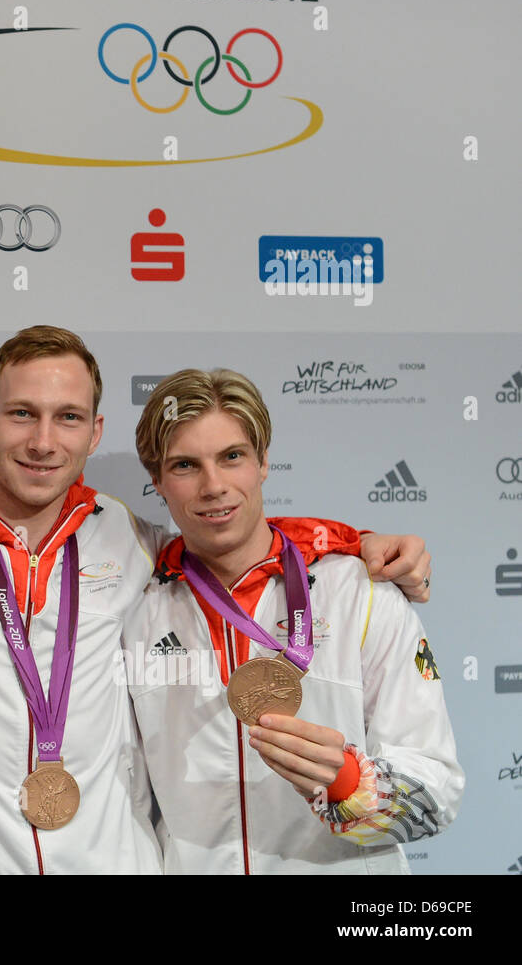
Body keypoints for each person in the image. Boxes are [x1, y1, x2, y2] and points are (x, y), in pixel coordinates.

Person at [0, 326, 433, 874]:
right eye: (21, 414)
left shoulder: (131, 541)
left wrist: (351, 543)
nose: (42, 440)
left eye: (67, 418)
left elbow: (231, 540)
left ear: (94, 431)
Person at [123, 368, 462, 872]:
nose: (214, 486)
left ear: (262, 462)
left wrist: (350, 783)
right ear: (158, 481)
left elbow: (438, 793)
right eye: (186, 465)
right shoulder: (136, 608)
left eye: (232, 457)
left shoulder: (361, 594)